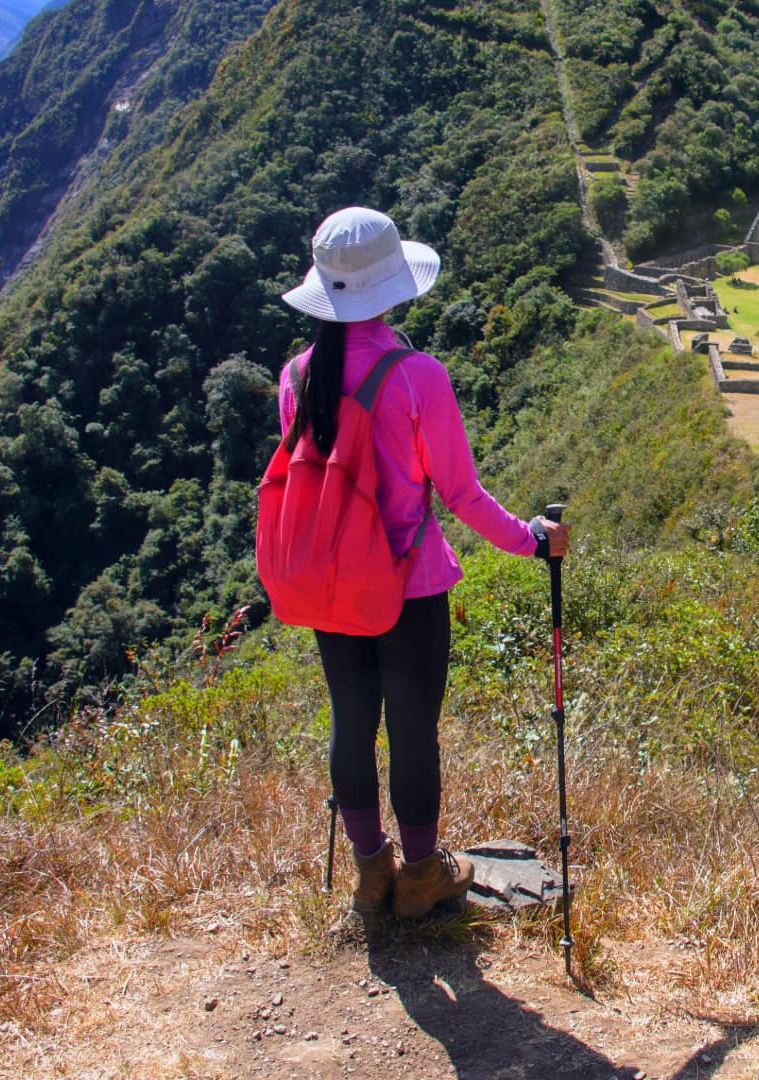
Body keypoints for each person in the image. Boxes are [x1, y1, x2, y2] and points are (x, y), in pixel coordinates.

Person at [275, 207, 568, 919]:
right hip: (408, 586)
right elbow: (461, 494)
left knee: (351, 724)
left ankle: (370, 875)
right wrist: (531, 539)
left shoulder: (297, 376)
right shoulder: (418, 376)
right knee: (412, 734)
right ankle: (423, 875)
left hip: (332, 587)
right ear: (392, 286)